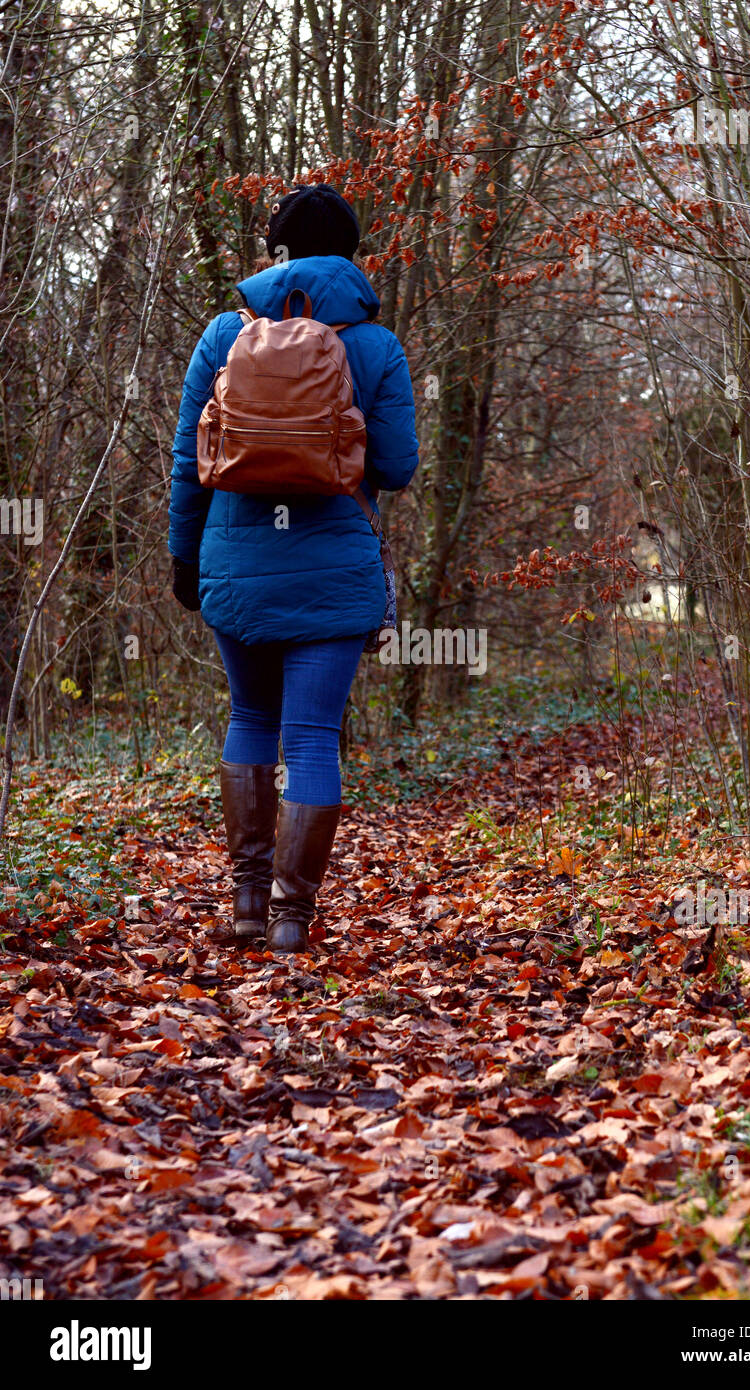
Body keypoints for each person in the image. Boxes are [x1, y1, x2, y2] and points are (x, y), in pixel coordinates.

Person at [169, 183, 419, 952]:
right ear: (351, 253)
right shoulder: (374, 345)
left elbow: (189, 460)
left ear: (274, 250)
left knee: (250, 719)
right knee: (312, 738)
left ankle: (245, 901)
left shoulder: (222, 333)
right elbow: (402, 466)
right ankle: (289, 919)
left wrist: (185, 556)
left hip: (235, 562)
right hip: (335, 567)